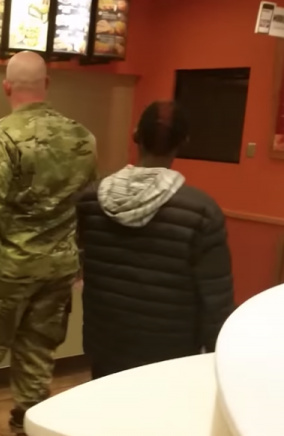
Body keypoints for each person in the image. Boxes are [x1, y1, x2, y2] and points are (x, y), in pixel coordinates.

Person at [0, 51, 98, 436]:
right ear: (47, 84)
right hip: (57, 270)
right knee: (37, 356)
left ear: (6, 87)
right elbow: (86, 204)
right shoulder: (83, 137)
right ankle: (28, 427)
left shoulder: (3, 135)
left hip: (3, 270)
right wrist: (79, 261)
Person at [76, 101, 235, 379]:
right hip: (169, 357)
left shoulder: (91, 200)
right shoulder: (201, 211)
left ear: (135, 135)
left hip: (105, 343)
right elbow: (216, 301)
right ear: (183, 142)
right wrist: (217, 364)